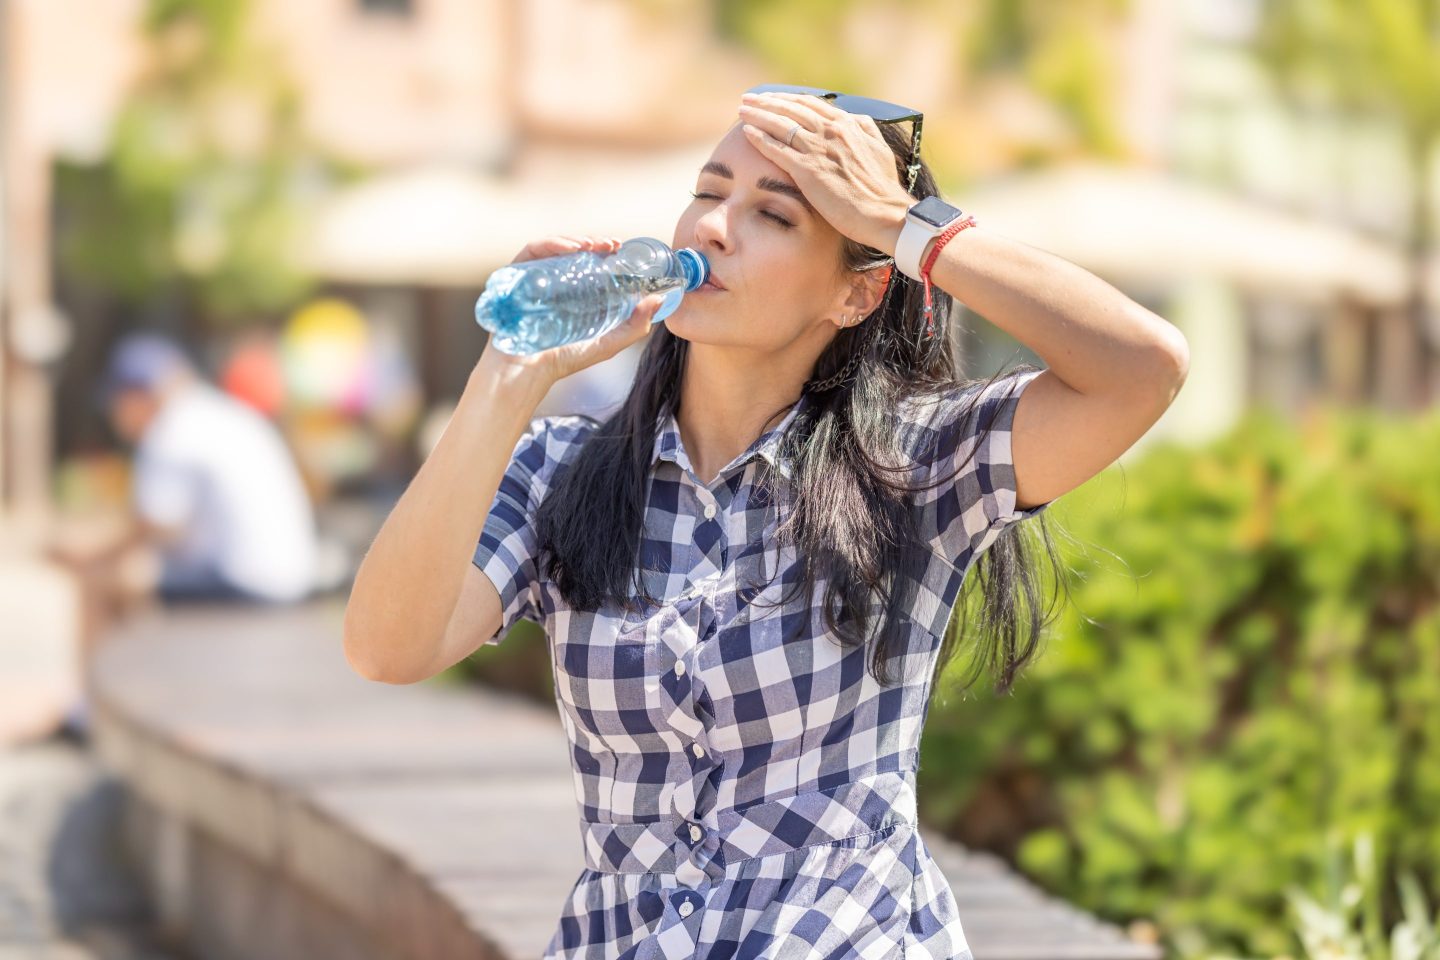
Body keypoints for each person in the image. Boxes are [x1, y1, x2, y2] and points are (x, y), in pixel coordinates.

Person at [344, 85, 1189, 959]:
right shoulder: (565, 471)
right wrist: (508, 378)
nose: (713, 229)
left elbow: (1144, 369)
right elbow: (387, 649)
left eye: (775, 217)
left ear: (857, 295)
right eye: (708, 195)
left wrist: (908, 226)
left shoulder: (916, 464)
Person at [90, 331, 319, 606]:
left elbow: (156, 524)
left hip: (245, 584)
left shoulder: (173, 428)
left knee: (118, 584)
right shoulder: (212, 411)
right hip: (287, 579)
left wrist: (92, 558)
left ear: (136, 397)